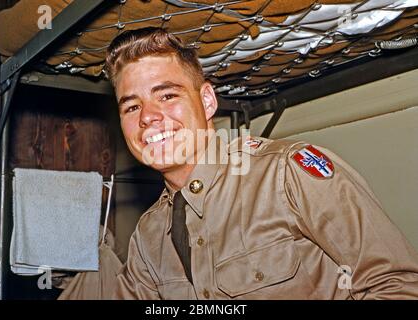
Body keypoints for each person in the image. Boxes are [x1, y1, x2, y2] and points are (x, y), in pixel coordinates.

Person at [101, 27, 418, 299]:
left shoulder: (287, 174)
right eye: (131, 107)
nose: (147, 117)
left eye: (168, 96)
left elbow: (397, 286)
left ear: (208, 101)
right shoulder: (148, 237)